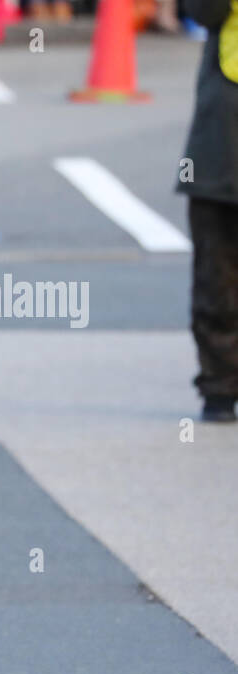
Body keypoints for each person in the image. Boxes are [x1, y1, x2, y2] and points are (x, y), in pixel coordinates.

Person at [177, 0, 238, 422]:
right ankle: (219, 388)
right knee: (217, 269)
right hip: (223, 132)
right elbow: (204, 9)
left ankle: (219, 386)